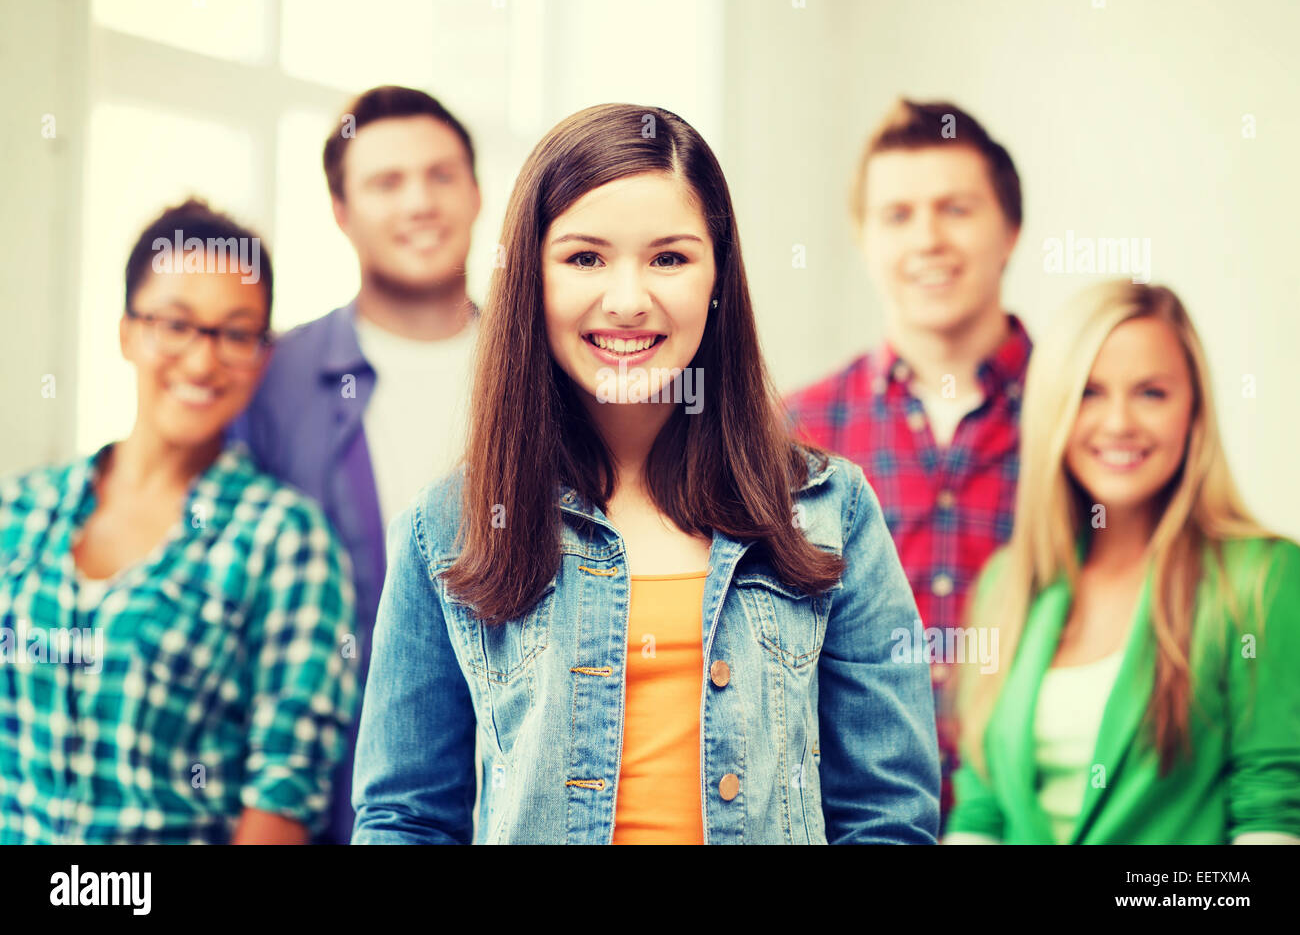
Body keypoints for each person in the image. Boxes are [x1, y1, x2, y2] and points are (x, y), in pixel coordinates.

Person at [350, 102, 940, 844]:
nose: (628, 300)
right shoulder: (446, 530)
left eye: (669, 257)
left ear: (718, 276)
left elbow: (888, 816)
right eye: (585, 258)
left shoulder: (829, 509)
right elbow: (405, 819)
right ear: (530, 278)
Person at [0, 199, 357, 843]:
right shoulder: (19, 514)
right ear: (127, 332)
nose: (201, 362)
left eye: (236, 332)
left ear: (263, 355)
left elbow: (282, 796)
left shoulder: (284, 540)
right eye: (176, 324)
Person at [944, 281, 1300, 844]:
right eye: (1089, 392)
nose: (1118, 423)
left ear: (1195, 411)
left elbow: (1270, 815)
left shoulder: (1264, 577)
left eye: (1151, 393)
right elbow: (980, 814)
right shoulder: (1005, 586)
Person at [228, 85, 483, 843]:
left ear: (476, 191)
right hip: (334, 806)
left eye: (441, 175)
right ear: (340, 210)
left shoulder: (547, 370)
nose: (420, 203)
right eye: (385, 182)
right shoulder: (272, 380)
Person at [784, 98, 1030, 822]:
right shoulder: (792, 433)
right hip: (853, 825)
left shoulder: (1090, 420)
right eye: (897, 215)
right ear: (864, 237)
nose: (928, 239)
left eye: (956, 208)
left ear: (1010, 230)